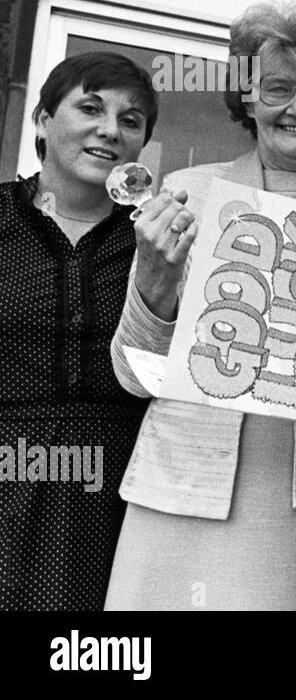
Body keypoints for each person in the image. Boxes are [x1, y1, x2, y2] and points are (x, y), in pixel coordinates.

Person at [106, 0, 296, 610]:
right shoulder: (186, 197)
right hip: (190, 492)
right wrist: (153, 282)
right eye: (276, 87)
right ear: (246, 99)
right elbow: (133, 376)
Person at [0, 52, 158, 610]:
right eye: (90, 108)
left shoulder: (157, 242)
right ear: (43, 120)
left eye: (130, 121)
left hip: (123, 489)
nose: (110, 130)